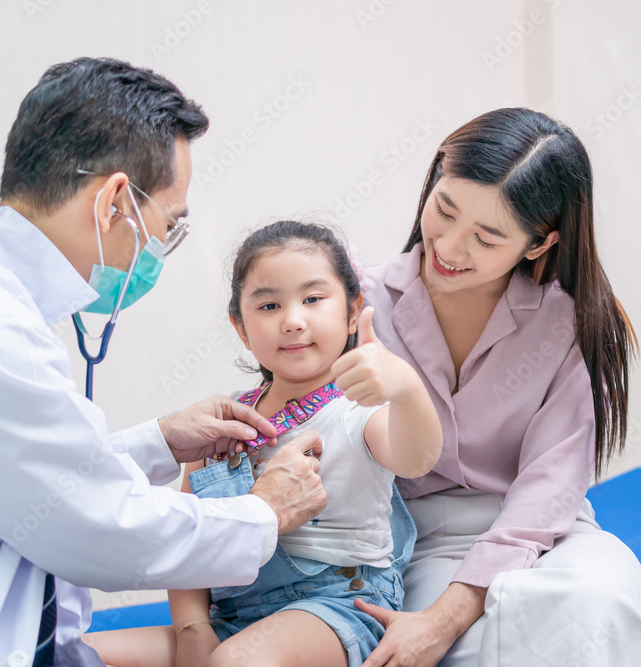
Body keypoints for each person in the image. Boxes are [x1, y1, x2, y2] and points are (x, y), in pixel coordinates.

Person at [0, 58, 328, 667]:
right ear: (114, 202)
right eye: (167, 225)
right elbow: (102, 531)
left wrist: (159, 441)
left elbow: (20, 474)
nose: (159, 249)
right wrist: (264, 512)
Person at [353, 108, 641, 666]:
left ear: (538, 244)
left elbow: (551, 484)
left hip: (548, 533)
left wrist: (446, 618)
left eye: (486, 238)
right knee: (481, 652)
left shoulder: (566, 323)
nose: (449, 248)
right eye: (443, 211)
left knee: (600, 608)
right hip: (413, 542)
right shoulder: (359, 302)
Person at [84, 221, 444, 667]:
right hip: (232, 616)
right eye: (269, 305)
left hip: (336, 607)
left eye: (313, 299)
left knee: (237, 662)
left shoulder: (360, 412)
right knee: (79, 654)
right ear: (240, 327)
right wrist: (193, 630)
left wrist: (407, 389)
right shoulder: (223, 422)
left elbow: (418, 458)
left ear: (353, 311)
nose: (292, 321)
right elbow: (193, 536)